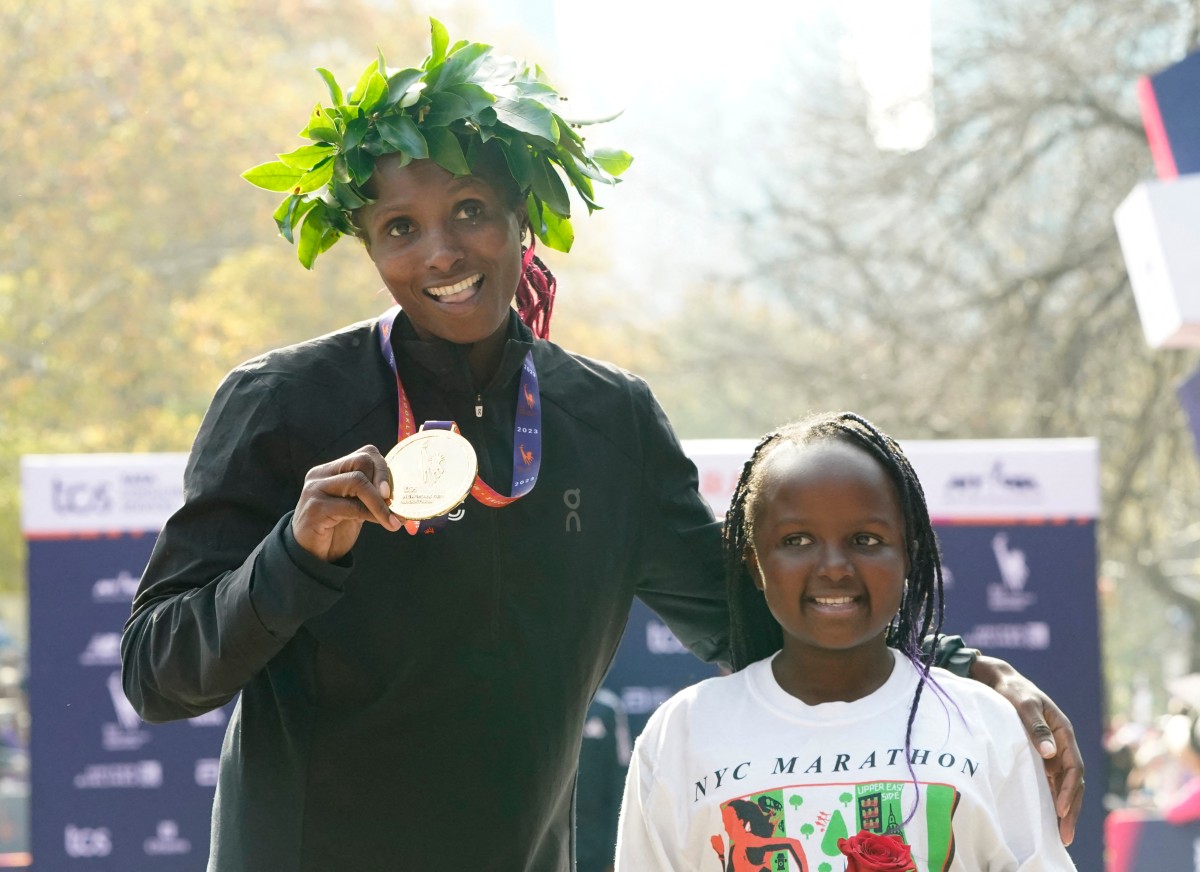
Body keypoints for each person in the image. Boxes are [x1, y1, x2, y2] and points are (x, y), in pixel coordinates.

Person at [120, 21, 1083, 871]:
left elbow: (749, 619)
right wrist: (296, 555)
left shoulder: (605, 420)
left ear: (525, 215)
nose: (440, 254)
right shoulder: (282, 404)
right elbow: (158, 676)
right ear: (370, 248)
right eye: (400, 229)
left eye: (468, 211)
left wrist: (970, 673)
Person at [614, 413, 1077, 871]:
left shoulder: (988, 725)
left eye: (865, 539)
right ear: (754, 563)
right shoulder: (683, 733)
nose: (834, 566)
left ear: (909, 555)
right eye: (797, 540)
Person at [576, 688, 632, 872]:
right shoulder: (543, 701)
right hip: (550, 837)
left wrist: (614, 851)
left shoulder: (607, 707)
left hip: (595, 841)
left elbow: (621, 783)